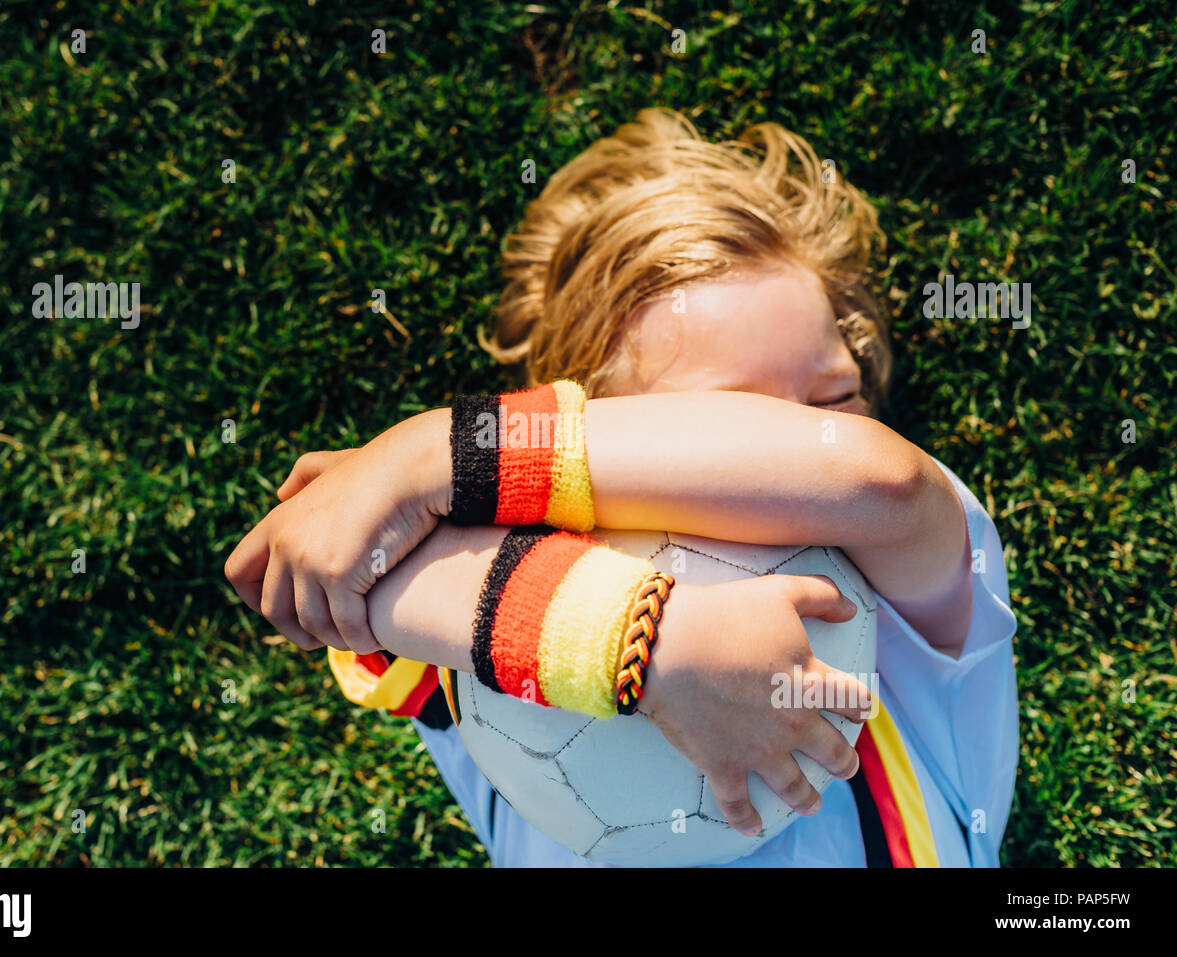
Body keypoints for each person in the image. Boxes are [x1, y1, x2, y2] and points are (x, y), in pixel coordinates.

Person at [224, 108, 1018, 867]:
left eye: (836, 400)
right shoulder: (487, 682)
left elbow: (877, 477)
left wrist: (449, 452)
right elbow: (337, 563)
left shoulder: (914, 628)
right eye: (727, 413)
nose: (789, 439)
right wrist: (631, 640)